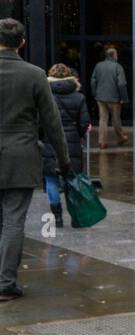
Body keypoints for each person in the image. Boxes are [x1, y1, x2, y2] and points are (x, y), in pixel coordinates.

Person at [0, 18, 72, 301]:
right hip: (21, 155)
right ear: (23, 43)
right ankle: (5, 282)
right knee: (13, 221)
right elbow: (53, 123)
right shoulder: (34, 74)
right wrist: (64, 161)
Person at [40, 63, 90, 229]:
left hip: (50, 141)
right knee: (72, 179)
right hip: (72, 142)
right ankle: (75, 217)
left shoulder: (44, 95)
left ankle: (57, 218)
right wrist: (80, 134)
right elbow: (84, 122)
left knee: (51, 179)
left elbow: (38, 121)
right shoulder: (78, 97)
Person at [90, 46, 128, 148]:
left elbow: (93, 81)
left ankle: (102, 142)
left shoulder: (98, 66)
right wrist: (124, 98)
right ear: (114, 55)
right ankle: (120, 137)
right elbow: (122, 84)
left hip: (100, 98)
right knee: (116, 119)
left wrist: (95, 94)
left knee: (103, 120)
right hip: (114, 98)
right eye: (116, 55)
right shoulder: (117, 67)